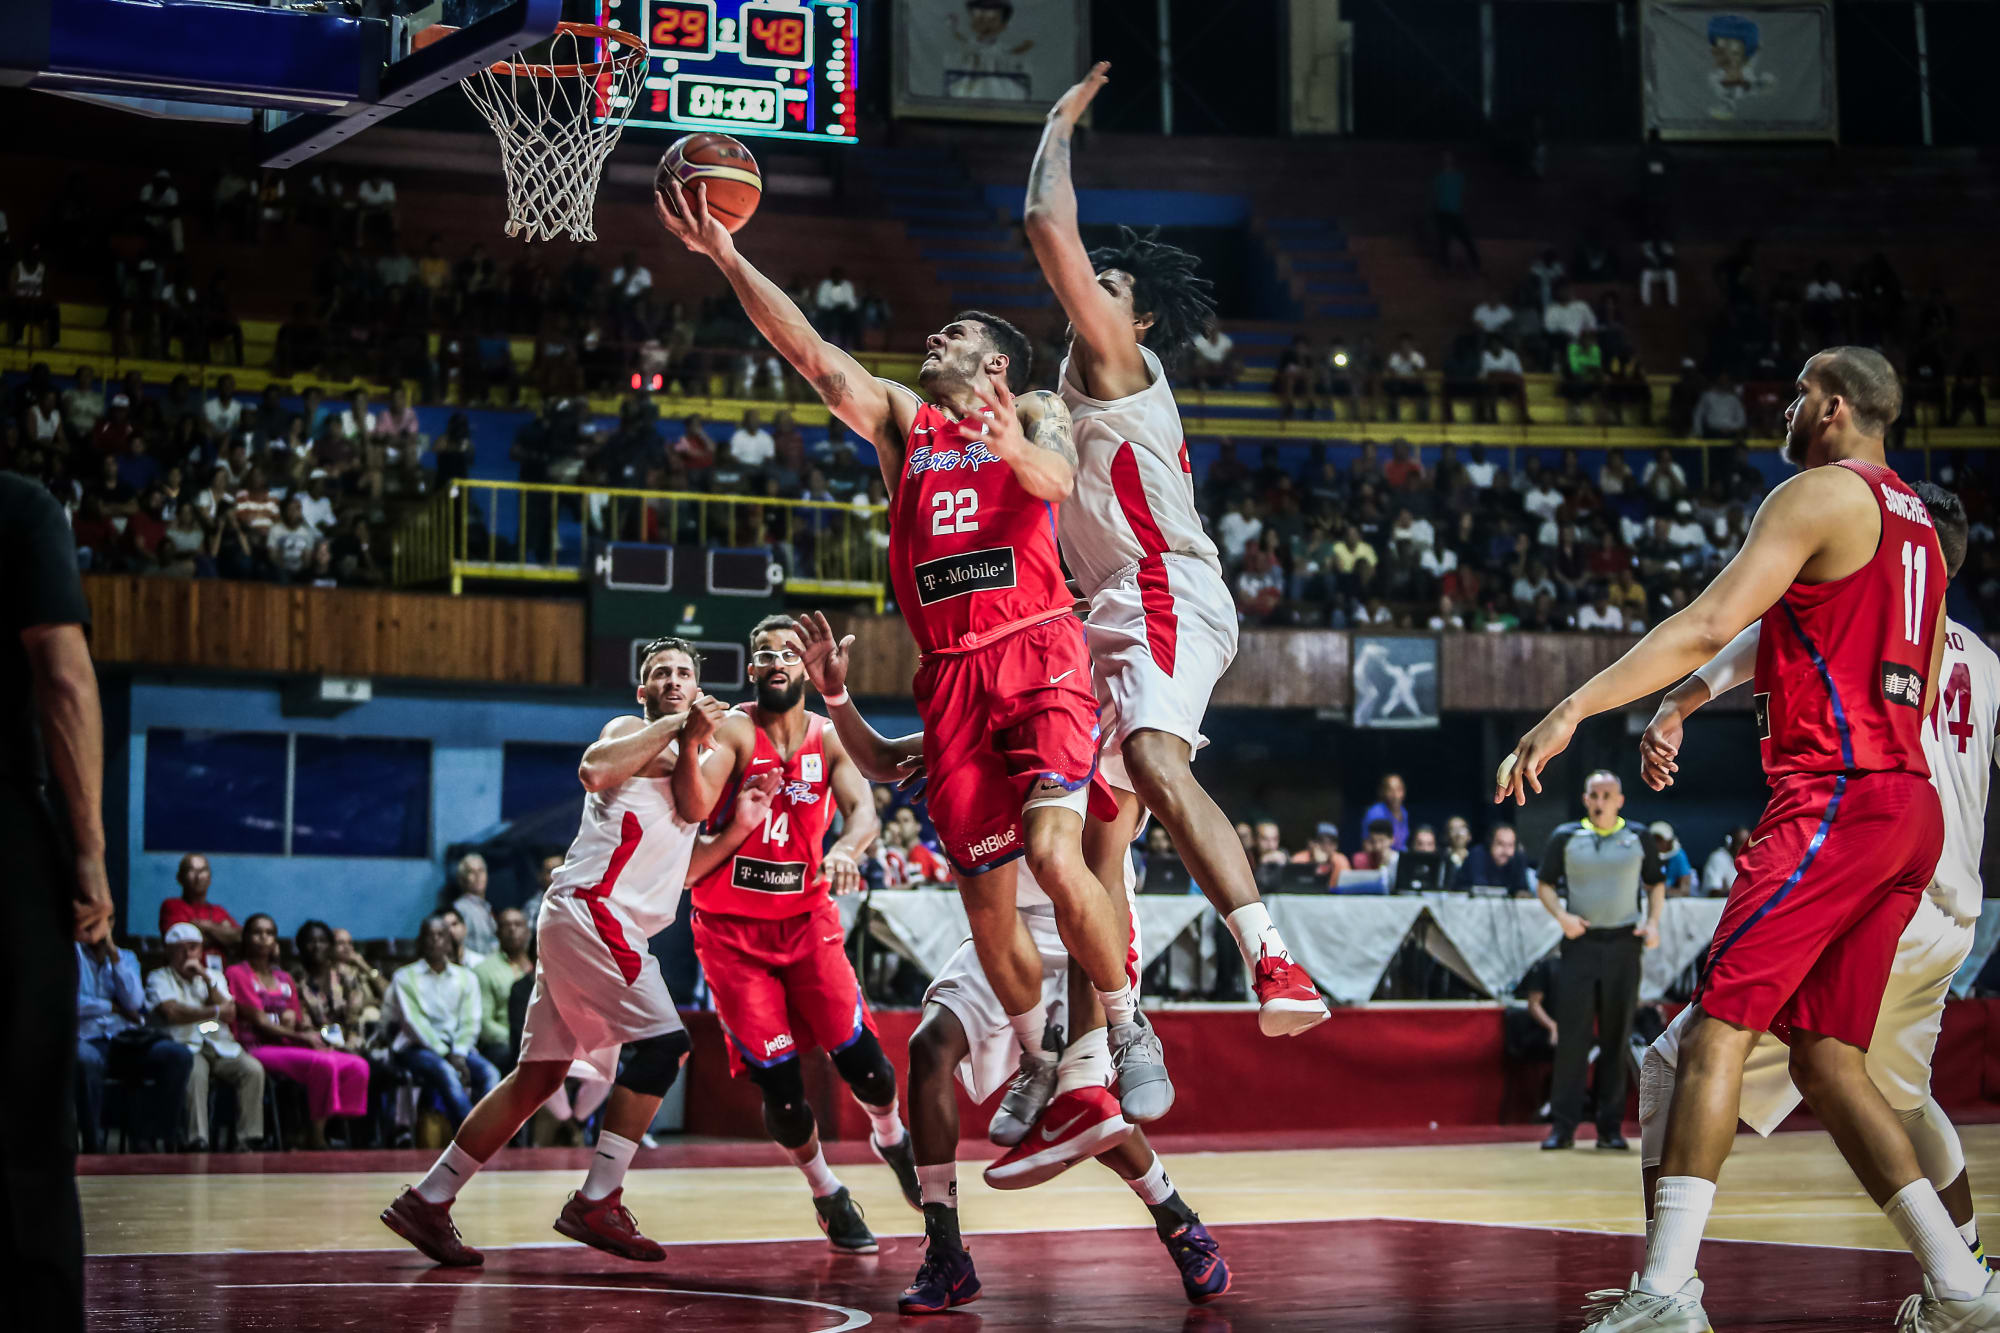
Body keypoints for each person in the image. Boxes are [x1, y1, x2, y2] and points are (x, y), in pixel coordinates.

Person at [656, 143, 1172, 1228]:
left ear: (994, 364)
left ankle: (1121, 1022)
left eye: (953, 336)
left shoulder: (1032, 408)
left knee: (1047, 847)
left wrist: (1008, 434)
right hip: (949, 681)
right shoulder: (903, 424)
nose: (929, 341)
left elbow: (1051, 477)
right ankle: (1037, 1059)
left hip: (1035, 653)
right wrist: (730, 255)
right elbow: (813, 359)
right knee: (987, 916)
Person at [1498, 347, 1997, 1328]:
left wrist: (1569, 709)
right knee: (1823, 1056)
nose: (1785, 404)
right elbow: (1795, 644)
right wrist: (1687, 702)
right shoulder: (1918, 538)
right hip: (1908, 814)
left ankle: (1668, 1290)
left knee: (1714, 1027)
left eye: (1801, 391)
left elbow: (1708, 620)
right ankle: (1960, 1285)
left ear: (1836, 405)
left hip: (1834, 797)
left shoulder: (1817, 493)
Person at [1021, 65, 1324, 1065]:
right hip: (1105, 606)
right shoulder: (1058, 393)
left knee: (1153, 761)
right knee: (1090, 843)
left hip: (1160, 586)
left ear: (1138, 321)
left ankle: (1273, 960)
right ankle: (1097, 1048)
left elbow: (1044, 226)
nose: (1090, 292)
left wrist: (1059, 124)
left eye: (1110, 288)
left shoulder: (1114, 360)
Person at [1635, 481, 1992, 1286]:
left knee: (1685, 1055)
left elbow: (1741, 636)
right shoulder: (1985, 660)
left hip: (1863, 875)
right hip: (1946, 911)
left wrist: (1678, 701)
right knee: (1890, 1091)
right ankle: (1965, 1274)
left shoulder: (1859, 621)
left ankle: (1662, 1284)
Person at [817, 686, 1232, 1312]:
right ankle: (946, 1252)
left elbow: (1097, 864)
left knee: (1082, 1106)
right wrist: (836, 691)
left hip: (1087, 924)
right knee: (929, 1047)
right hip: (1006, 923)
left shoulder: (1104, 726)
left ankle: (1176, 1219)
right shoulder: (977, 719)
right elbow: (878, 758)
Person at [382, 638, 712, 1267]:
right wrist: (679, 723)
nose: (672, 679)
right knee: (665, 1045)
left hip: (588, 918)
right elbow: (593, 769)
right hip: (594, 909)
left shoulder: (687, 757)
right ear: (642, 693)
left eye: (684, 674)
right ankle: (598, 1198)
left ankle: (430, 1199)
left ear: (698, 686)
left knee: (540, 1074)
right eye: (660, 674)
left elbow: (690, 852)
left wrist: (746, 816)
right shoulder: (630, 731)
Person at [671, 615, 911, 1251]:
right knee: (780, 1086)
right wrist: (693, 751)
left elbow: (863, 812)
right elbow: (697, 803)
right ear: (751, 670)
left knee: (868, 1068)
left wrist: (849, 850)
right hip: (731, 936)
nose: (776, 661)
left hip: (807, 925)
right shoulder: (733, 733)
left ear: (808, 668)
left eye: (788, 652)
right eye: (764, 654)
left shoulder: (829, 739)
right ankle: (827, 1192)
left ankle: (891, 1136)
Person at [1534, 771, 1664, 1152]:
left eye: (1608, 794)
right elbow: (1543, 883)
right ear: (1585, 798)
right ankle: (1563, 1127)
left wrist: (1653, 923)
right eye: (1594, 794)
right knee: (1573, 1037)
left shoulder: (1638, 837)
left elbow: (1655, 882)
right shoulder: (1565, 837)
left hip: (1624, 945)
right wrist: (1562, 917)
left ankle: (1609, 1129)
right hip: (1580, 945)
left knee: (1615, 1037)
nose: (1601, 800)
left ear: (1620, 800)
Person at [226, 914, 369, 1148]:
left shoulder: (283, 977)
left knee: (356, 1065)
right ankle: (317, 1136)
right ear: (245, 938)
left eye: (270, 933)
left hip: (288, 1045)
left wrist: (311, 1034)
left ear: (276, 941)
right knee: (323, 1064)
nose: (264, 938)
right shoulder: (237, 973)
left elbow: (299, 1020)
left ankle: (334, 1128)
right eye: (257, 932)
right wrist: (300, 1036)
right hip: (256, 1047)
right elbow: (260, 1022)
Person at [145, 922, 265, 1151]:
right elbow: (172, 1013)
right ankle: (197, 1139)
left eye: (193, 948)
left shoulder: (213, 976)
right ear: (168, 951)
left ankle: (248, 1138)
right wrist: (214, 1011)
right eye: (181, 948)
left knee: (253, 1070)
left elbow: (230, 1013)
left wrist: (205, 978)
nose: (188, 954)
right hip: (184, 1044)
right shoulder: (159, 978)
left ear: (201, 950)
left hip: (219, 1044)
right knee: (195, 1072)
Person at [76, 933, 193, 1153]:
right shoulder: (71, 954)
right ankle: (94, 1143)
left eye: (107, 922)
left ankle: (153, 1139)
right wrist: (113, 1007)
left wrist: (115, 959)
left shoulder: (125, 957)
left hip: (124, 1038)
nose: (100, 930)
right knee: (85, 1060)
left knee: (178, 1055)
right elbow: (72, 1002)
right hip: (87, 1037)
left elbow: (134, 1001)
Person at [390, 914, 497, 1130]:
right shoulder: (404, 977)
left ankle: (486, 1131)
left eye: (441, 935)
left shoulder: (467, 978)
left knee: (490, 1074)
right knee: (445, 1071)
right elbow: (414, 1024)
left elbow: (470, 1021)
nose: (435, 941)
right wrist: (448, 1055)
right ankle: (474, 1134)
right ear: (420, 941)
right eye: (429, 936)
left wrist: (458, 1052)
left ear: (450, 942)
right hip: (415, 1048)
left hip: (458, 1049)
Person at [472, 908, 533, 1073]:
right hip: (503, 1043)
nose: (512, 929)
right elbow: (484, 1023)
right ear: (497, 932)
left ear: (527, 931)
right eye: (506, 925)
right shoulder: (484, 970)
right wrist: (518, 1039)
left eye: (518, 924)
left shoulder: (541, 966)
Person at [158, 852, 240, 953]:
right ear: (180, 878)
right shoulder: (172, 906)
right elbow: (183, 943)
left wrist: (207, 926)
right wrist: (222, 933)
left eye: (203, 870)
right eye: (191, 870)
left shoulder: (219, 911)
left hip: (218, 968)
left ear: (209, 878)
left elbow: (239, 938)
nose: (198, 876)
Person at [1453, 824, 1533, 896]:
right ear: (1490, 844)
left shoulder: (1518, 858)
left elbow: (1522, 889)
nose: (1506, 851)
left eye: (1510, 845)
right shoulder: (1477, 855)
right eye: (1500, 844)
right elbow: (1479, 887)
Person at [449, 853, 499, 960]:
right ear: (462, 879)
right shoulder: (459, 908)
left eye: (481, 871)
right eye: (471, 872)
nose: (478, 876)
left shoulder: (487, 907)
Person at [1362, 773, 1411, 851]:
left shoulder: (1404, 812)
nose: (1395, 795)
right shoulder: (1375, 813)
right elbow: (1368, 845)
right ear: (1383, 792)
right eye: (1390, 790)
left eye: (1399, 789)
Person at [1647, 820, 1697, 895]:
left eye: (1659, 839)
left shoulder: (1679, 855)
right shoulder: (1642, 855)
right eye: (1654, 839)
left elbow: (1685, 890)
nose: (1656, 843)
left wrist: (1662, 892)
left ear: (1669, 841)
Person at [1701, 827, 1750, 896]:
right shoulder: (1718, 858)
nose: (1744, 848)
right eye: (1740, 843)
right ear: (1730, 842)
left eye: (1747, 844)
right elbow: (1713, 892)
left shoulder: (1751, 859)